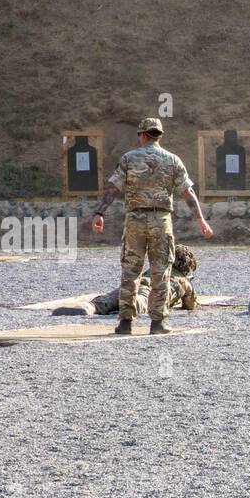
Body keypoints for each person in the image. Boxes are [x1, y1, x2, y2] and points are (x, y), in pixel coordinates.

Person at [91, 117, 213, 335]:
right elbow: (188, 193)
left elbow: (112, 188)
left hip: (135, 221)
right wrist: (201, 220)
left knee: (130, 271)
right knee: (161, 272)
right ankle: (158, 323)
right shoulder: (173, 160)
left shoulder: (129, 158)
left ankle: (125, 322)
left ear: (142, 134)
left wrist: (100, 213)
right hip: (161, 221)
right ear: (159, 135)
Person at [53, 244, 198, 316]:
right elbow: (190, 304)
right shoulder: (182, 280)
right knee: (140, 303)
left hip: (138, 284)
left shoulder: (155, 267)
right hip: (152, 292)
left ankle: (88, 307)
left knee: (109, 299)